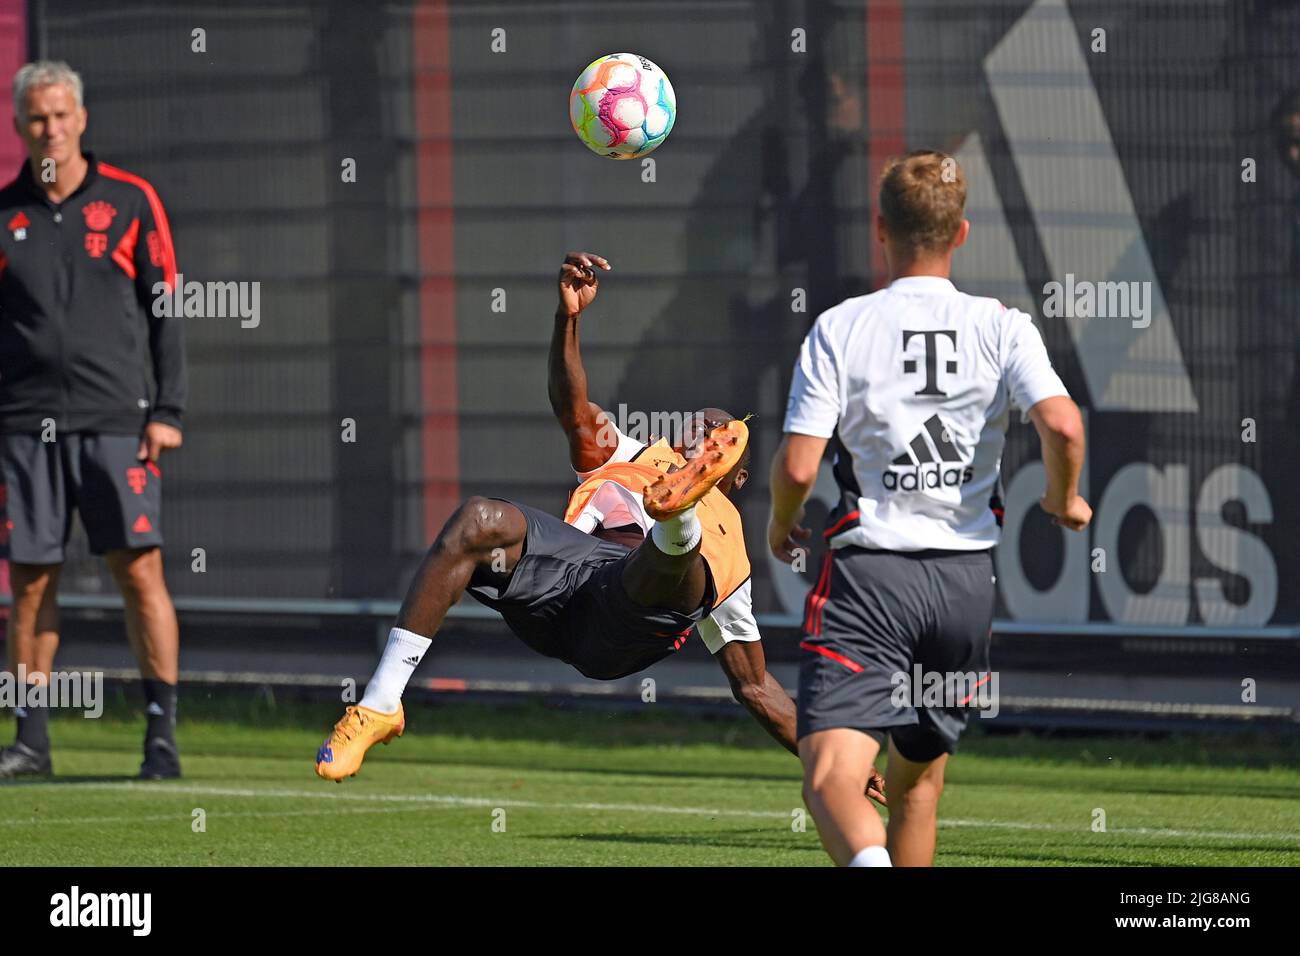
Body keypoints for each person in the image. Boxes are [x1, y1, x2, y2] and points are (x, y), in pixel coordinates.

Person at [315, 251, 886, 804]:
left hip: (628, 625)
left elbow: (756, 687)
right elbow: (574, 407)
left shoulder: (731, 544)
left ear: (733, 480)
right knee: (476, 520)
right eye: (699, 433)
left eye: (718, 443)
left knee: (676, 566)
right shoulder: (631, 456)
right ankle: (381, 703)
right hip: (564, 594)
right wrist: (569, 317)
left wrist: (833, 757)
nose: (702, 439)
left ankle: (676, 524)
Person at [768, 151, 1089, 866]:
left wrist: (778, 522)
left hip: (871, 582)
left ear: (879, 228)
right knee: (916, 787)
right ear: (963, 233)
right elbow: (1064, 425)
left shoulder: (842, 326)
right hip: (966, 592)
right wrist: (1062, 498)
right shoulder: (1002, 325)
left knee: (830, 778)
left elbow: (797, 463)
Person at [0, 61, 186, 779]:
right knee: (30, 583)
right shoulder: (6, 213)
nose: (49, 127)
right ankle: (31, 743)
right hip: (23, 429)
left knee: (140, 574)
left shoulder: (134, 202)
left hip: (118, 423)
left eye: (60, 115)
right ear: (20, 127)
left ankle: (162, 738)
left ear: (81, 119)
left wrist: (167, 411)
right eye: (35, 118)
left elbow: (167, 311)